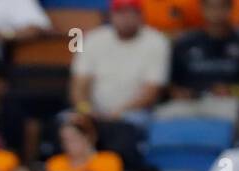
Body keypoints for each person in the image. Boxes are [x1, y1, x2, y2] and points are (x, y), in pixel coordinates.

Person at [164, 0, 239, 122]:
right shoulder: (185, 43)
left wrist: (233, 91)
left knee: (228, 113)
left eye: (221, 7)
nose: (216, 13)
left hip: (231, 103)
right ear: (202, 9)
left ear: (230, 8)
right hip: (190, 103)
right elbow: (170, 82)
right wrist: (179, 93)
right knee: (163, 116)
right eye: (211, 7)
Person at [70, 0, 170, 130]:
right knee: (67, 122)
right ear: (110, 15)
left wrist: (116, 113)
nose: (126, 18)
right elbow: (79, 84)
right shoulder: (93, 38)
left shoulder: (156, 41)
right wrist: (85, 110)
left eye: (131, 13)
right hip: (93, 111)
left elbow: (150, 92)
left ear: (141, 15)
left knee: (132, 123)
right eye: (121, 13)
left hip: (135, 112)